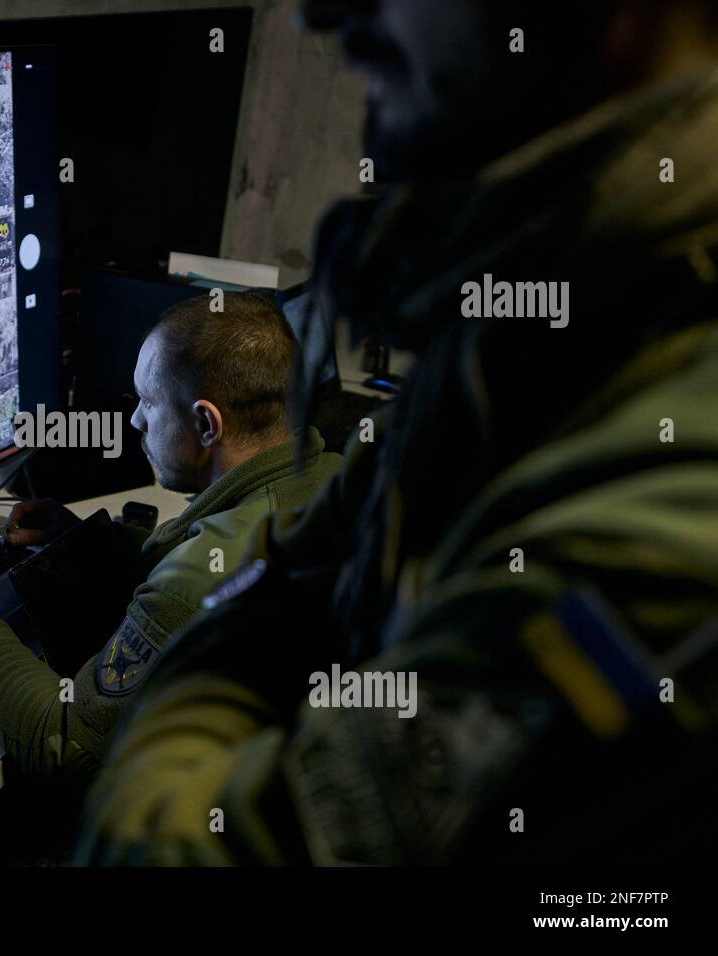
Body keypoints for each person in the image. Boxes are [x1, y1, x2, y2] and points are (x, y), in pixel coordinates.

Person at [75, 0, 718, 865]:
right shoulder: (554, 328)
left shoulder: (661, 528)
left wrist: (221, 624)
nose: (320, 14)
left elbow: (154, 846)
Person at [0, 292, 343, 790]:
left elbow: (66, 745)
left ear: (206, 424)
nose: (135, 420)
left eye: (150, 402)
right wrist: (93, 544)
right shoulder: (335, 479)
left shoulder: (201, 575)